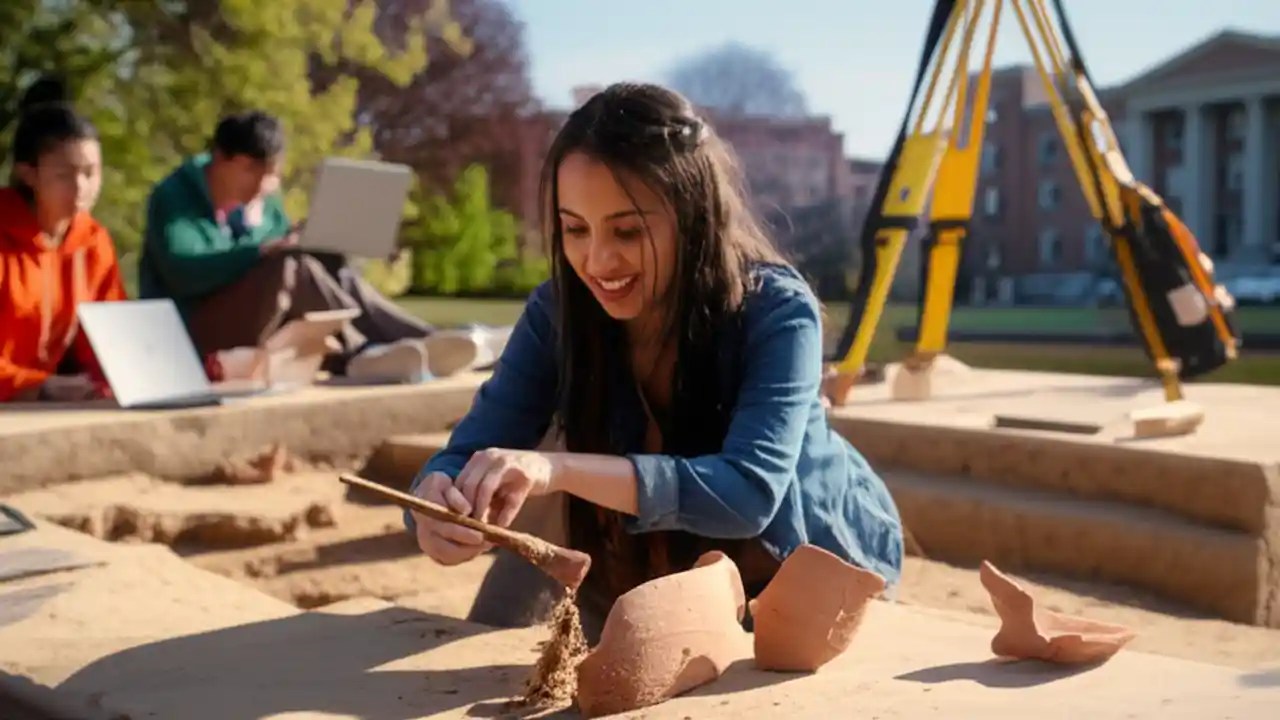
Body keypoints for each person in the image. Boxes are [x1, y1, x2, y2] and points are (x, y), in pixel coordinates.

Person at [405, 83, 904, 640]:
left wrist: (556, 469)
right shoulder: (558, 311)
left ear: (693, 218)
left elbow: (747, 495)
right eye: (575, 229)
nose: (598, 260)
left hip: (798, 569)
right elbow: (468, 450)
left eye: (627, 230)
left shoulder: (778, 312)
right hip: (639, 563)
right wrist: (434, 500)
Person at [137, 110, 480, 383]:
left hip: (259, 320)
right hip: (193, 334)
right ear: (219, 158)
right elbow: (183, 273)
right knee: (291, 266)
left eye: (271, 173)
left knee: (325, 262)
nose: (262, 184)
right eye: (251, 170)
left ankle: (432, 341)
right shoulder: (175, 197)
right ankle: (362, 353)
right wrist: (262, 251)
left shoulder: (266, 201)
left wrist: (308, 240)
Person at [0, 77, 127, 403]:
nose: (81, 187)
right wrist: (42, 385)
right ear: (28, 174)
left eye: (90, 172)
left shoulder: (94, 241)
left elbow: (110, 343)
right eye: (64, 175)